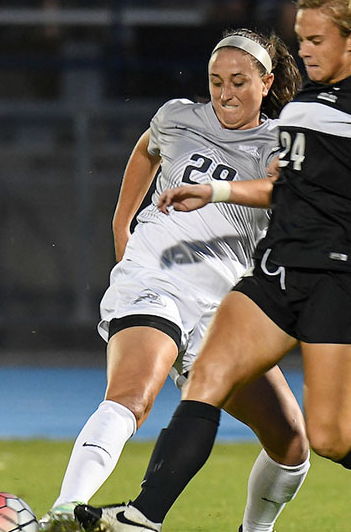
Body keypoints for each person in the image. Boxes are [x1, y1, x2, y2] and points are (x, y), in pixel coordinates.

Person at [73, 0, 351, 531]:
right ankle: (142, 517)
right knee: (206, 375)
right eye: (301, 38)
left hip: (345, 274)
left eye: (316, 39)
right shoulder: (298, 108)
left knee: (325, 435)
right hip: (279, 269)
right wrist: (216, 192)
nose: (304, 50)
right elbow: (282, 187)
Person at [39, 28, 311, 532]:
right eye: (215, 81)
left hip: (225, 305)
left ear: (266, 82)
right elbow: (147, 147)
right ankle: (63, 511)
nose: (225, 93)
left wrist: (215, 190)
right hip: (157, 275)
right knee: (132, 396)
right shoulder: (178, 115)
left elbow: (278, 188)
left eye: (238, 81)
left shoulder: (278, 139)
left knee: (292, 443)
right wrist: (122, 221)